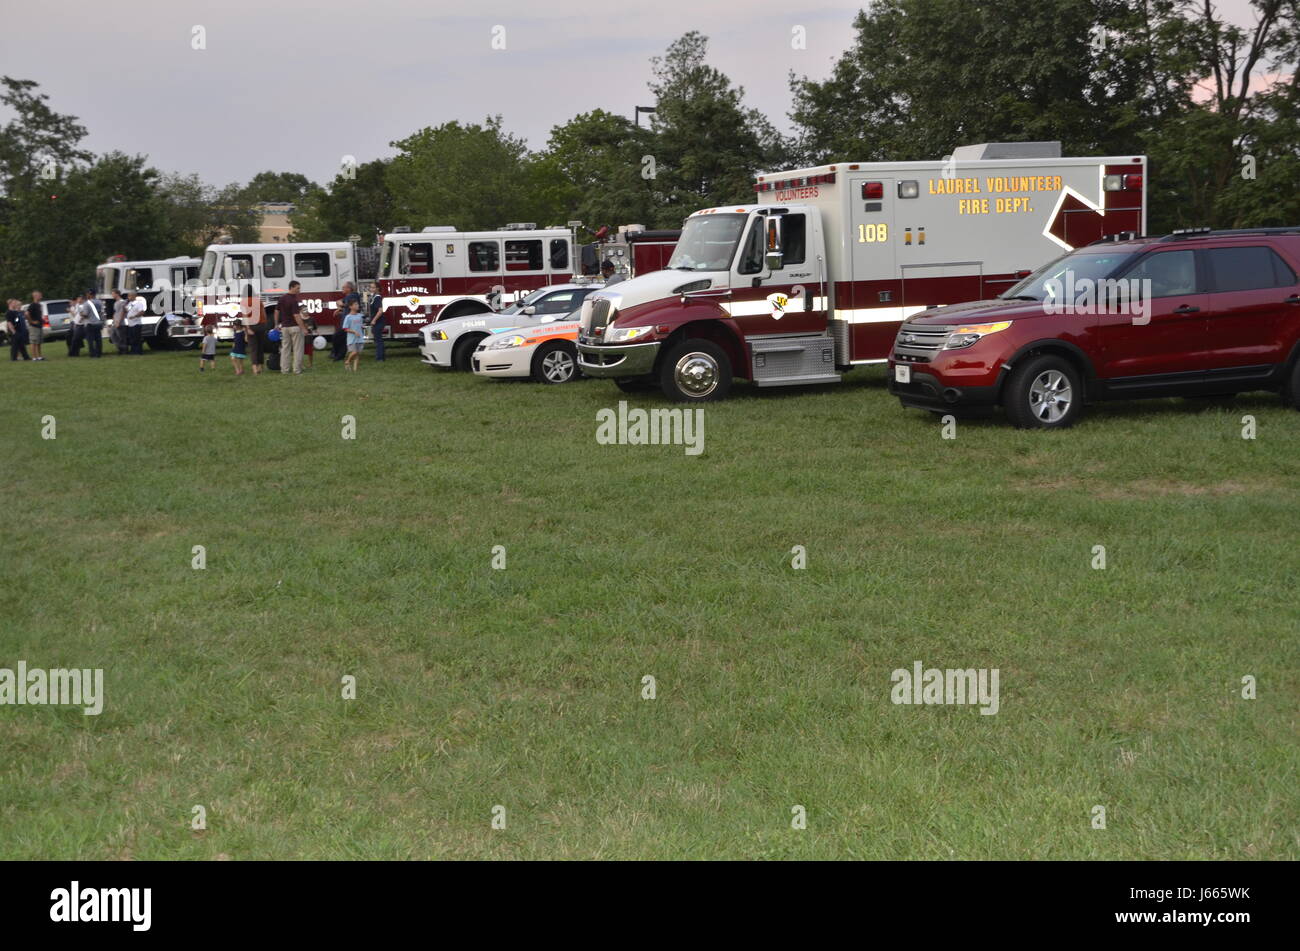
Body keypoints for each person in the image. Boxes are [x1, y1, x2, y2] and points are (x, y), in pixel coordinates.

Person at [276, 281, 308, 374]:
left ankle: (284, 369)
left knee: (285, 349)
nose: (299, 290)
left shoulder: (282, 298)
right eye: (297, 288)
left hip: (284, 327)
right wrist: (303, 328)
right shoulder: (293, 300)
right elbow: (296, 316)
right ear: (292, 287)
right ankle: (297, 369)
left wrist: (276, 324)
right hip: (294, 327)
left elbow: (276, 312)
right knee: (298, 349)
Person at [240, 292, 266, 375]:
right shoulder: (259, 301)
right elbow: (264, 314)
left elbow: (245, 316)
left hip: (252, 326)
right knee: (260, 347)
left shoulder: (244, 302)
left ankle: (255, 369)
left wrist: (247, 328)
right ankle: (260, 367)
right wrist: (264, 324)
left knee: (253, 349)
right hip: (261, 325)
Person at [332, 282, 359, 360]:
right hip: (346, 321)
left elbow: (342, 304)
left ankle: (337, 354)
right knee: (343, 340)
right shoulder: (349, 296)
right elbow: (342, 304)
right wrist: (341, 310)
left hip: (348, 323)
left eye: (344, 287)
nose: (342, 289)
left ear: (349, 289)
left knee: (336, 337)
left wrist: (341, 306)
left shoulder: (352, 296)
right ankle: (338, 356)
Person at [342, 300, 365, 371]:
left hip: (359, 338)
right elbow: (345, 328)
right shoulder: (348, 317)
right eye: (355, 304)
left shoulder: (360, 316)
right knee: (354, 352)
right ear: (350, 307)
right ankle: (347, 361)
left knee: (357, 354)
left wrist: (362, 327)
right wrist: (354, 332)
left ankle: (355, 370)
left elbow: (360, 325)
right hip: (352, 339)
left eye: (357, 304)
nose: (357, 306)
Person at [81, 291, 104, 358]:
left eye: (87, 294)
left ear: (89, 295)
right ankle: (99, 353)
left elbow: (85, 314)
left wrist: (81, 314)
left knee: (90, 340)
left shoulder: (87, 303)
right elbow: (102, 312)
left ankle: (93, 354)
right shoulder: (99, 302)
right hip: (98, 323)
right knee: (98, 340)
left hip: (90, 323)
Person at [26, 291, 45, 361]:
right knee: (33, 342)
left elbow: (38, 315)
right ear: (35, 296)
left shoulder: (39, 305)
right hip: (34, 327)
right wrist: (32, 321)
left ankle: (39, 356)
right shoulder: (32, 305)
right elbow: (27, 314)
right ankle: (34, 357)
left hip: (39, 326)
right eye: (40, 295)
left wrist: (42, 320)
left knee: (39, 342)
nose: (41, 297)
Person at [110, 289, 128, 354]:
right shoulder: (115, 302)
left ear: (117, 294)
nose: (112, 295)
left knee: (121, 337)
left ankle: (124, 350)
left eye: (113, 294)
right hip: (115, 322)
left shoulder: (122, 302)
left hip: (120, 323)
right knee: (113, 336)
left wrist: (119, 322)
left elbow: (123, 312)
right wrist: (113, 321)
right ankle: (120, 348)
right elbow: (115, 312)